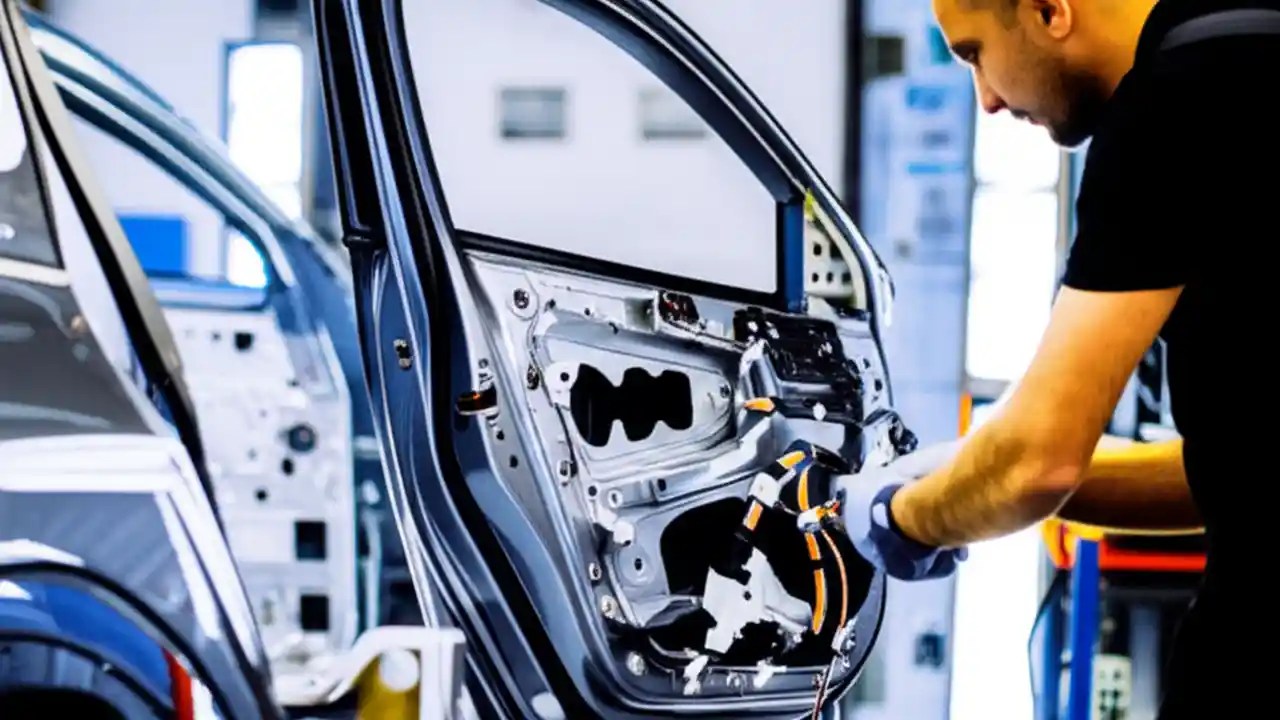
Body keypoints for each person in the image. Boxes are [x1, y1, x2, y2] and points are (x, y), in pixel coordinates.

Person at [834, 0, 1280, 716]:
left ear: (1049, 10)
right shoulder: (1250, 34)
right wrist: (969, 468)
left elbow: (1035, 465)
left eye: (974, 53)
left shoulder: (1169, 110)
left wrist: (895, 516)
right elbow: (1236, 466)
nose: (985, 100)